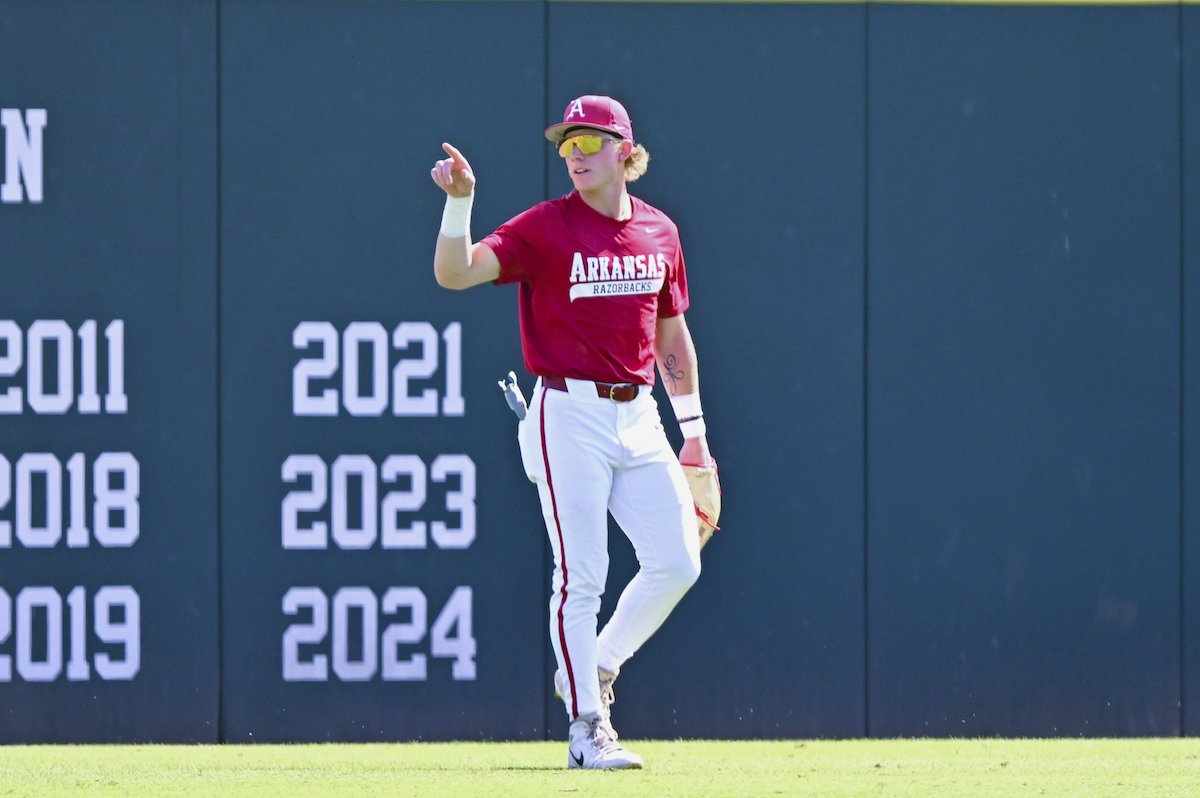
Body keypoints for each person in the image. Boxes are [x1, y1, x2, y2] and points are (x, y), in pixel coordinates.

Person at [429, 95, 714, 770]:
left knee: (677, 560)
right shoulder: (545, 228)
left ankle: (596, 663)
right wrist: (460, 202)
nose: (576, 155)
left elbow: (671, 332)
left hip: (638, 412)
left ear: (626, 151)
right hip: (568, 411)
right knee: (581, 574)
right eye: (567, 145)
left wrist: (693, 432)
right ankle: (588, 729)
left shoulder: (661, 232)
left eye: (590, 142)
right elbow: (454, 273)